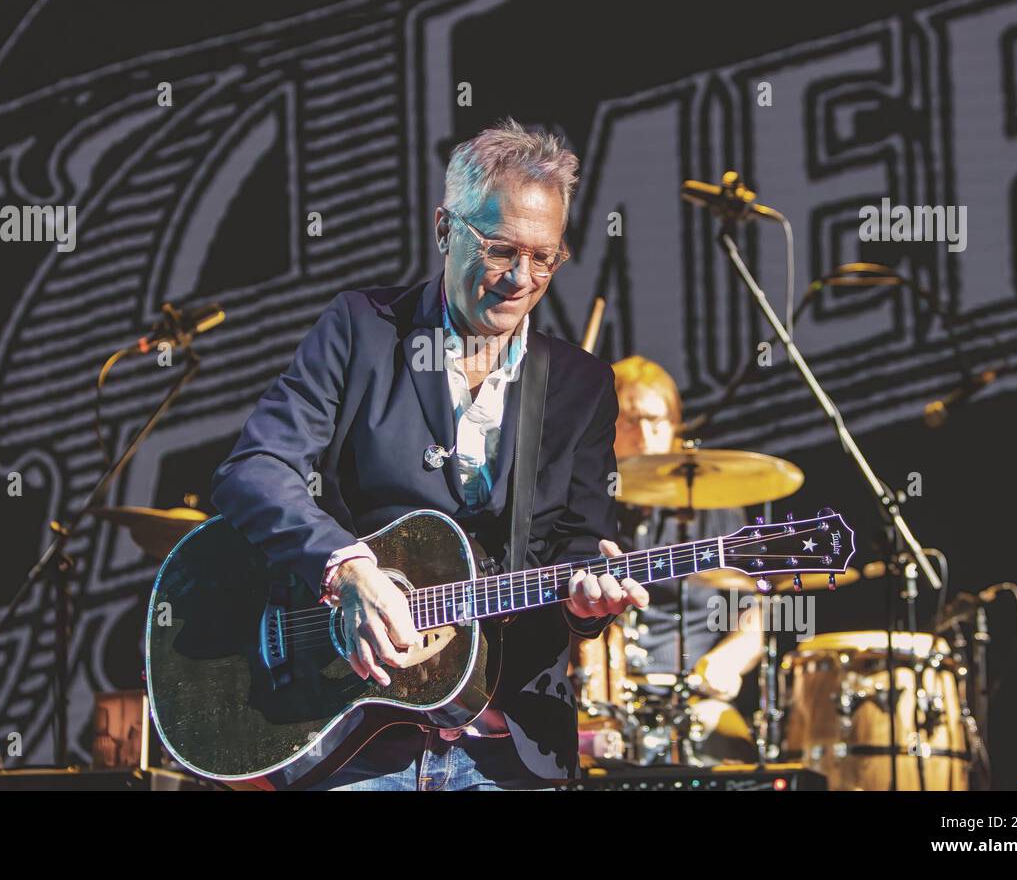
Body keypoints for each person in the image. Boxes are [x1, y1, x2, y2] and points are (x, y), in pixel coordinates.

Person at [211, 119, 648, 790]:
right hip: (358, 731)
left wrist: (588, 598)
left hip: (508, 746)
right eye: (502, 249)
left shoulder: (581, 385)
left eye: (545, 258)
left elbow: (578, 545)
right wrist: (346, 569)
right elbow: (256, 469)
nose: (521, 278)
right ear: (446, 229)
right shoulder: (362, 328)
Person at [611, 356, 762, 718]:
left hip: (694, 700)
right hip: (603, 700)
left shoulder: (715, 506)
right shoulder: (582, 507)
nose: (645, 435)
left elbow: (751, 617)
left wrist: (727, 661)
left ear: (674, 426)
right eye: (631, 420)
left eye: (656, 420)